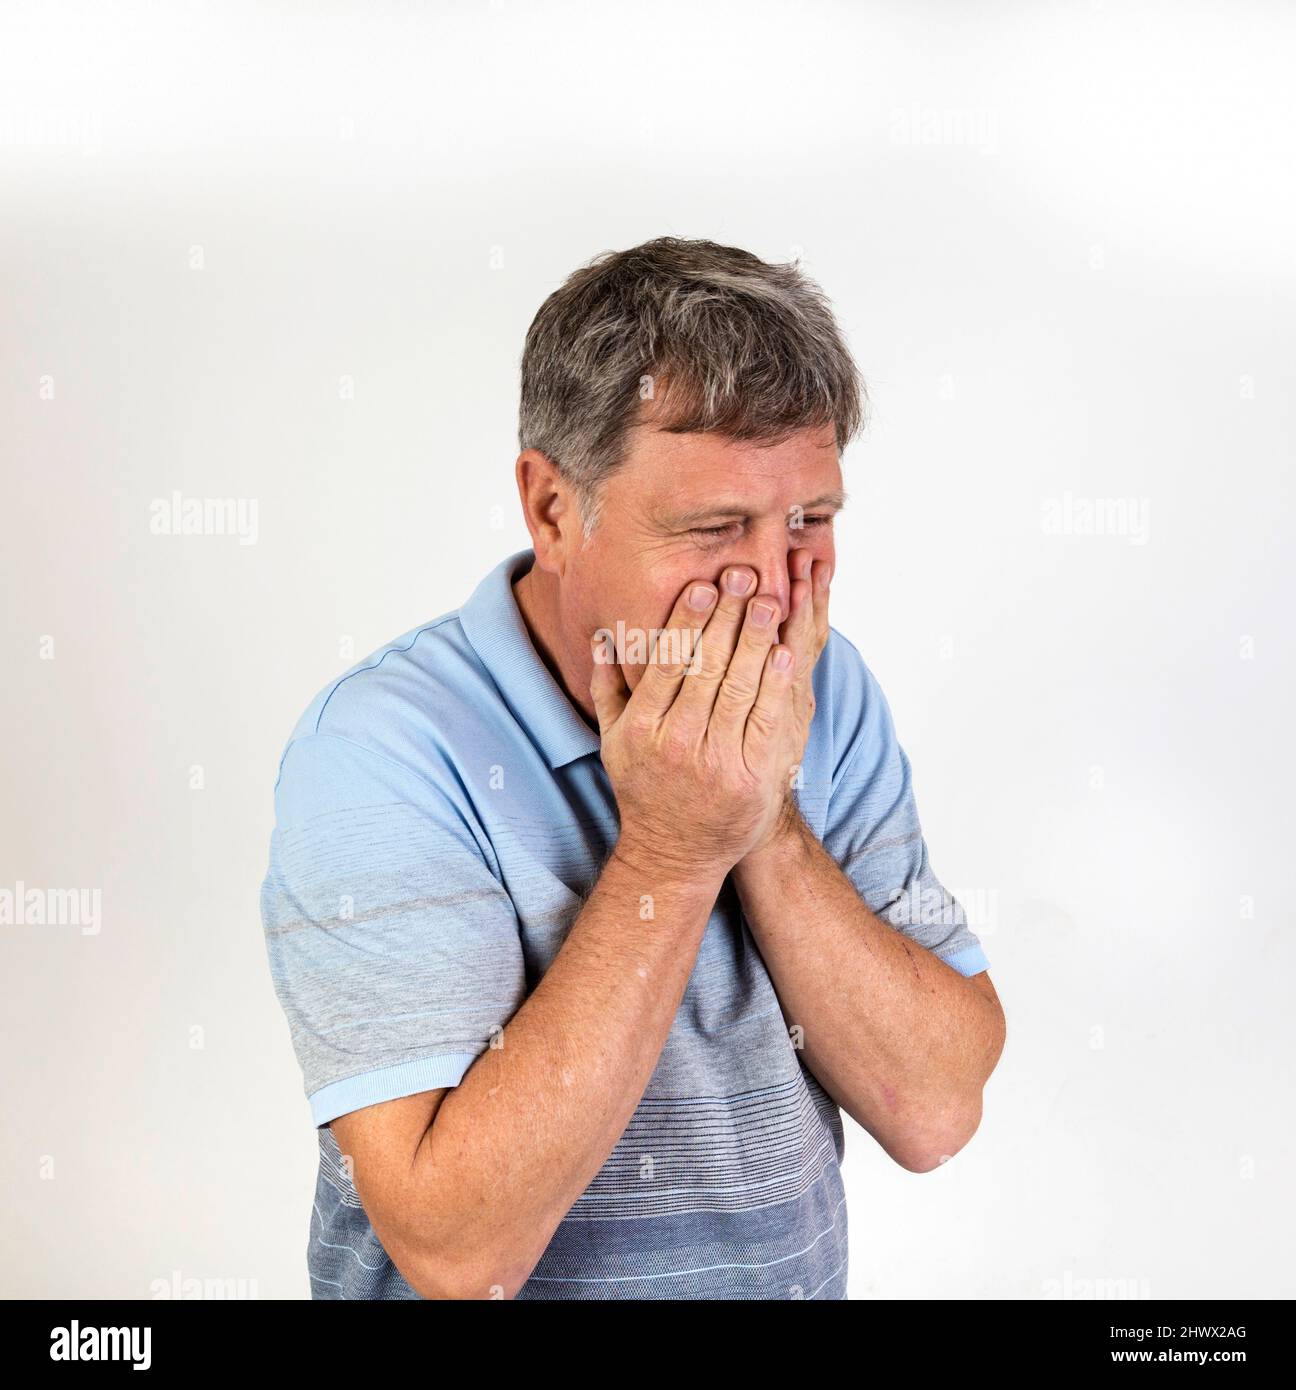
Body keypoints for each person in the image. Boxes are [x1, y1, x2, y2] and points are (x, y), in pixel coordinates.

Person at [259, 236, 1006, 1300]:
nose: (772, 584)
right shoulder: (381, 752)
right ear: (555, 510)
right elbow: (457, 1253)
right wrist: (672, 842)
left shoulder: (825, 691)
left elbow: (934, 1108)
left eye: (811, 520)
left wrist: (766, 822)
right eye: (713, 527)